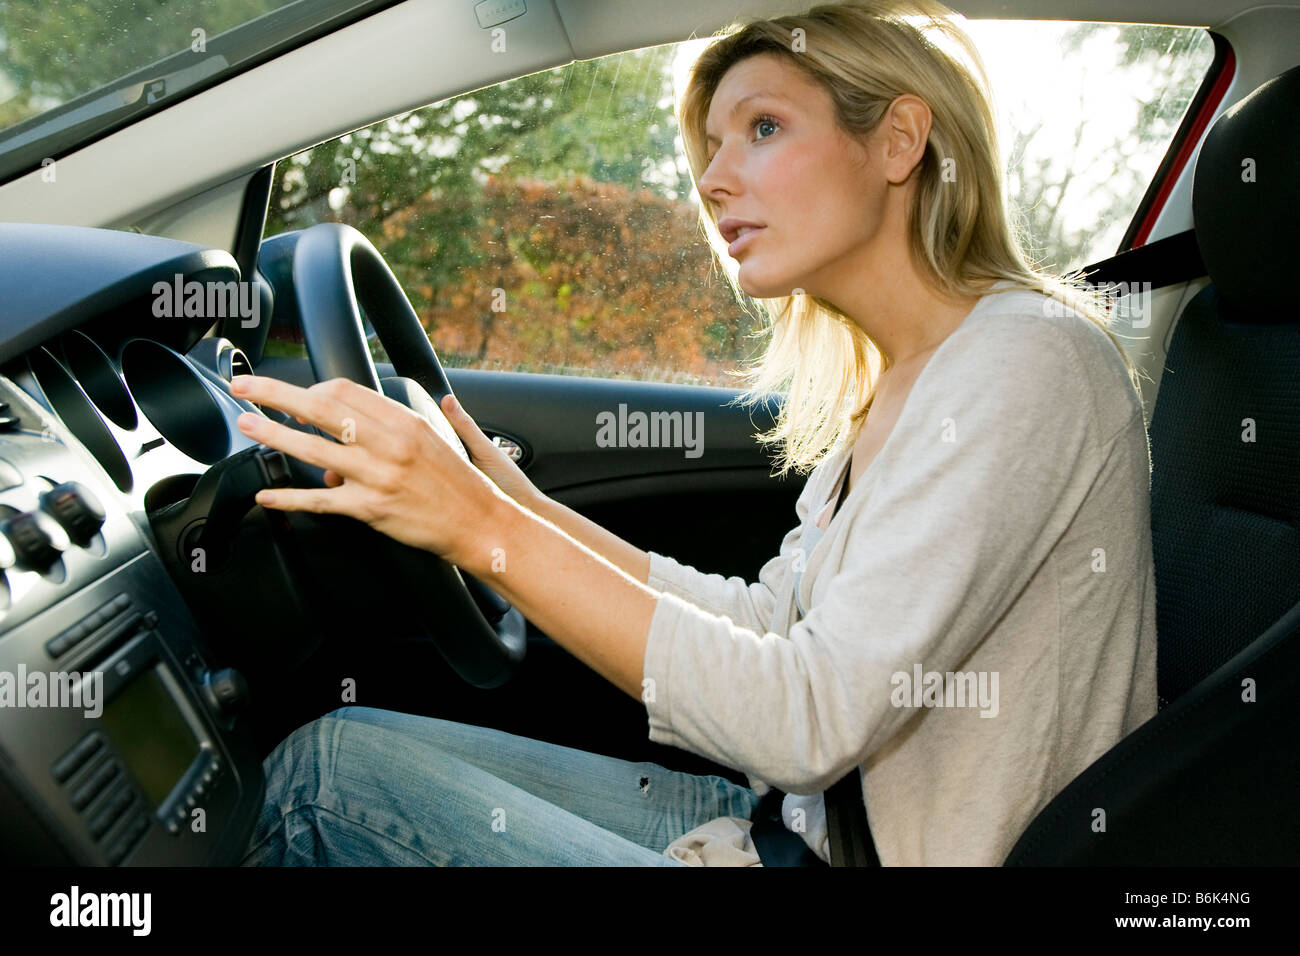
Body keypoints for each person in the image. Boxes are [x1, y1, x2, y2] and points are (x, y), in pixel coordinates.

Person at [236, 0, 1157, 867]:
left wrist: (481, 527)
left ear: (899, 141)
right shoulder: (902, 382)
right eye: (711, 149)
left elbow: (807, 717)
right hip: (786, 832)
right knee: (344, 744)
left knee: (323, 788)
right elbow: (771, 625)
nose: (713, 182)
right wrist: (520, 511)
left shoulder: (1026, 360)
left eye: (763, 130)